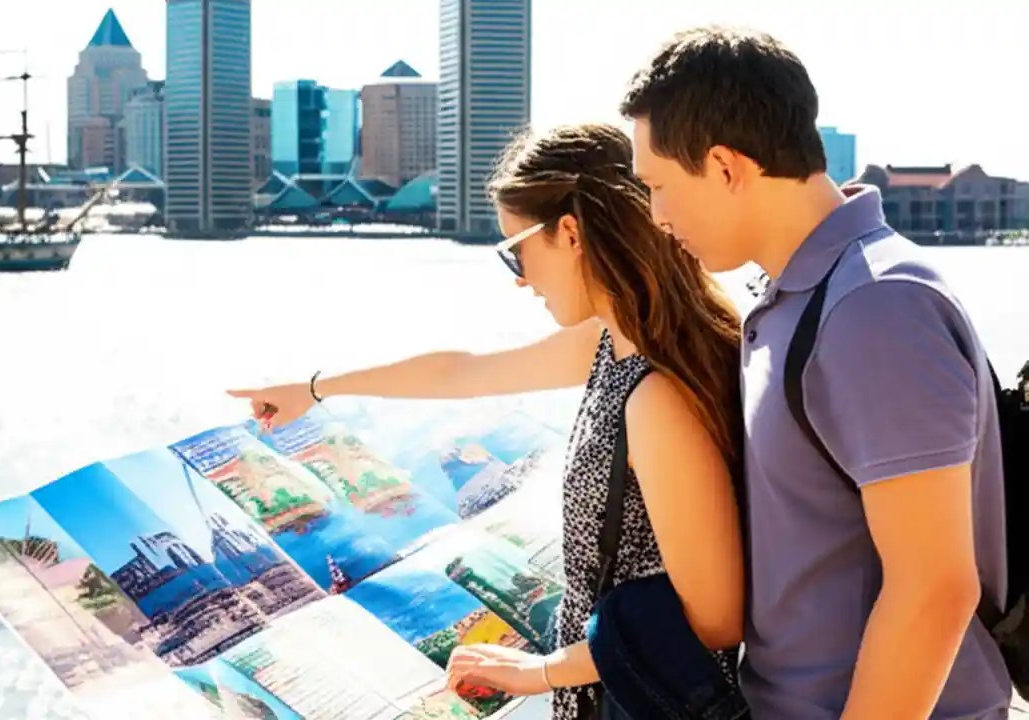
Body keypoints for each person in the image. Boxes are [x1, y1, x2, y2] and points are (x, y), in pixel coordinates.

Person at [229, 123, 748, 719]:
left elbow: (715, 616)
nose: (521, 279)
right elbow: (461, 373)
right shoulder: (615, 343)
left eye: (516, 251)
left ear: (571, 234)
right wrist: (314, 390)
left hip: (637, 703)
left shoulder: (657, 396)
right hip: (608, 691)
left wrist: (543, 672)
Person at [619, 26, 1013, 719]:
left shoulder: (876, 307)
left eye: (657, 185)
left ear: (723, 166)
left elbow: (934, 588)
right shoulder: (800, 297)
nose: (656, 216)